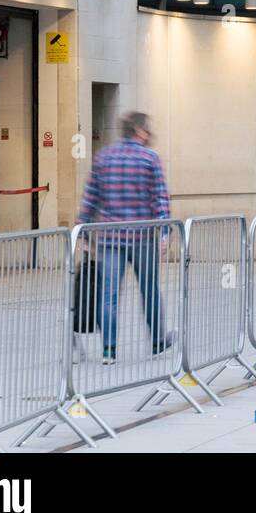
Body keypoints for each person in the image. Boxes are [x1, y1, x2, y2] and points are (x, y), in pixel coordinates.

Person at [77, 111, 173, 365]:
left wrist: (82, 229)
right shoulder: (150, 158)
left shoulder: (103, 157)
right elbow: (160, 198)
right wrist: (165, 232)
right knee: (149, 290)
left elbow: (91, 196)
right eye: (148, 129)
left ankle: (109, 350)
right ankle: (157, 342)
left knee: (109, 294)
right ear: (140, 131)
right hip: (142, 237)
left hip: (109, 237)